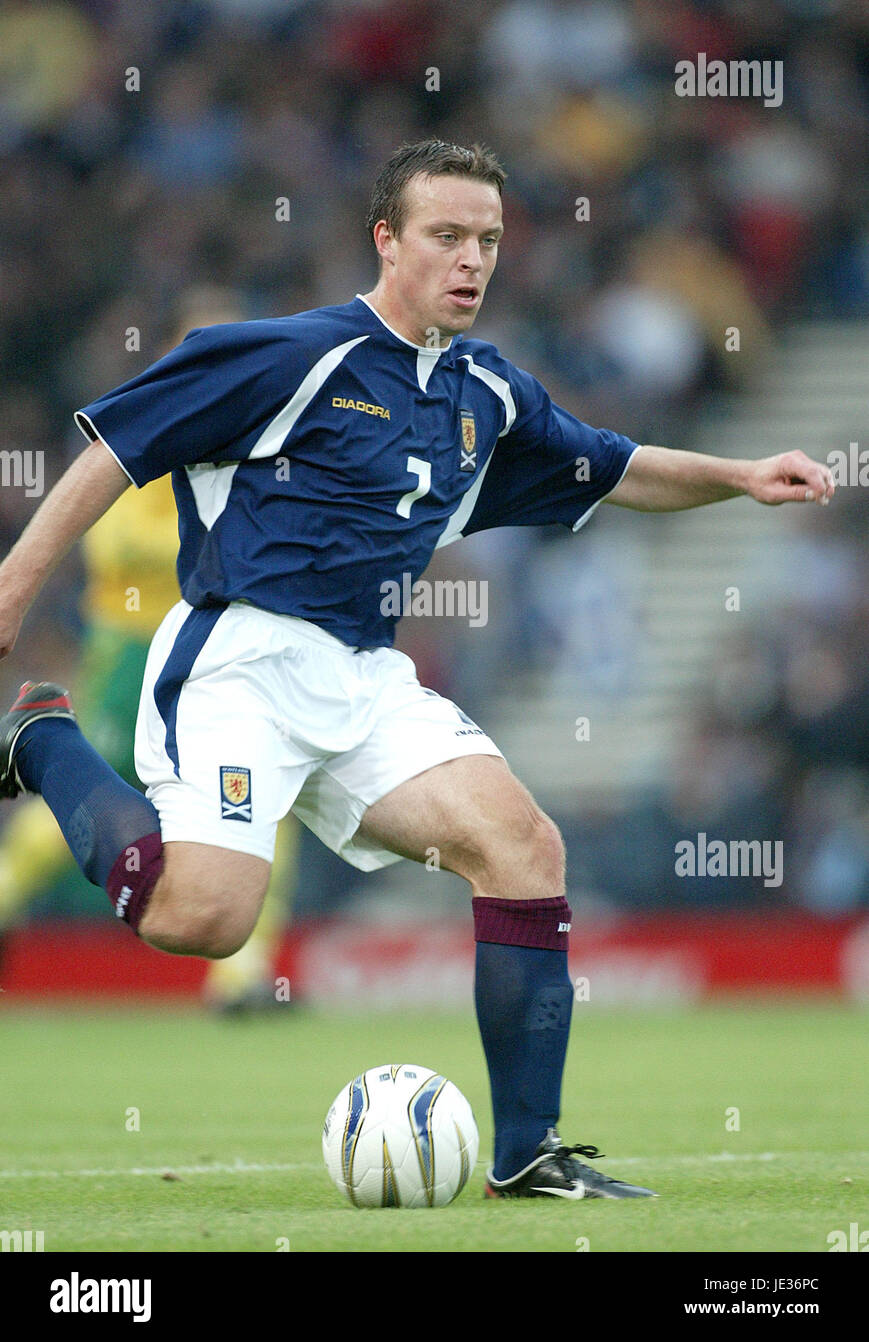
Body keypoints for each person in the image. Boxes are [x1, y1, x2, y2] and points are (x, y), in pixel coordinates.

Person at [0, 140, 835, 1201]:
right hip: (239, 663)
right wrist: (15, 586)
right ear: (384, 241)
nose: (470, 261)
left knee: (523, 844)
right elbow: (114, 451)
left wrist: (740, 476)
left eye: (486, 240)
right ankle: (41, 737)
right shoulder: (282, 355)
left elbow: (618, 467)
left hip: (362, 678)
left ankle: (526, 1153)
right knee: (202, 921)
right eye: (445, 236)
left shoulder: (487, 392)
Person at [0, 289, 298, 1016]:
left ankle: (242, 979)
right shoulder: (158, 421)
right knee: (57, 821)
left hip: (218, 662)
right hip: (134, 657)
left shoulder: (257, 437)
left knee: (267, 804)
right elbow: (114, 541)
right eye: (206, 339)